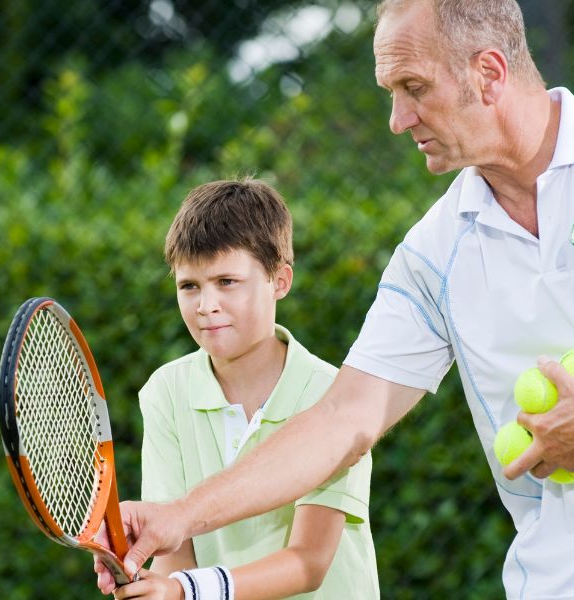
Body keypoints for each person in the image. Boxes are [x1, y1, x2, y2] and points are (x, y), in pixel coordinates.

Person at [105, 1, 574, 597]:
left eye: (412, 89)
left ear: (489, 73)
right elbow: (344, 418)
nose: (397, 120)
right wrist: (178, 517)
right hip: (567, 586)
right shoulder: (434, 251)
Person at [98, 179, 380, 600]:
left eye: (226, 281)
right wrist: (162, 587)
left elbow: (308, 563)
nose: (205, 305)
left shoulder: (334, 395)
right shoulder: (166, 392)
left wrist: (187, 591)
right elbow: (175, 557)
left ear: (279, 281)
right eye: (189, 285)